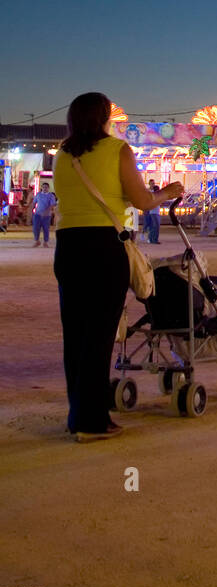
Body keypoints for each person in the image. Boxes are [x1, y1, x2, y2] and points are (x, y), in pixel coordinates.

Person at [52, 92, 183, 442]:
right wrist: (167, 192)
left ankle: (78, 414)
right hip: (102, 248)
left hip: (68, 247)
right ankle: (92, 422)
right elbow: (142, 201)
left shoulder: (63, 154)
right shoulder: (118, 149)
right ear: (104, 117)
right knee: (99, 335)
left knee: (75, 335)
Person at [32, 182, 57, 247]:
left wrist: (46, 212)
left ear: (48, 188)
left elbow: (52, 205)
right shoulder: (38, 194)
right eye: (43, 187)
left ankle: (45, 242)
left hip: (46, 216)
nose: (44, 188)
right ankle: (37, 241)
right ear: (41, 188)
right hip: (37, 214)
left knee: (46, 229)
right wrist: (32, 209)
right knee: (35, 228)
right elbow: (34, 202)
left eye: (46, 187)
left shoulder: (51, 196)